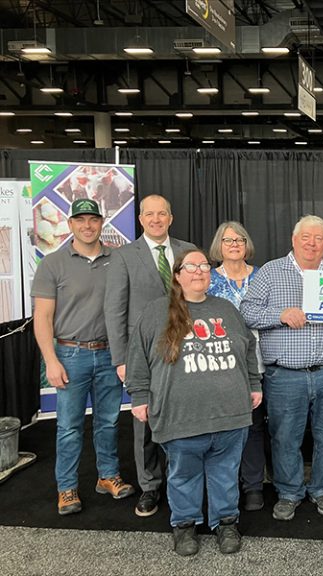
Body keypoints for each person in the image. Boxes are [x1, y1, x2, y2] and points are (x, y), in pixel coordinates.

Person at [126, 249, 261, 556]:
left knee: (226, 474)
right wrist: (139, 396)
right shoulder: (156, 312)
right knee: (183, 475)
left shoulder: (226, 309)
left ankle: (226, 522)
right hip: (180, 416)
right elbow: (138, 357)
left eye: (204, 265)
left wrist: (254, 384)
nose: (199, 270)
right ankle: (185, 525)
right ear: (177, 275)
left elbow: (248, 349)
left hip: (230, 414)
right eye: (191, 266)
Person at [240, 215, 323, 522]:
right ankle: (289, 492)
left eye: (318, 238)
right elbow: (246, 311)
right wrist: (280, 314)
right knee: (285, 438)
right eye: (306, 237)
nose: (312, 244)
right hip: (285, 376)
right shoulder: (271, 271)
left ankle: (322, 489)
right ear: (293, 239)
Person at [32, 198, 135, 515]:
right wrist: (51, 360)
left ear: (102, 223)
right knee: (69, 427)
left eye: (93, 219)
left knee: (109, 422)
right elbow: (42, 317)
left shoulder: (119, 259)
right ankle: (67, 488)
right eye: (80, 220)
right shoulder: (53, 263)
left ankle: (108, 476)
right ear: (70, 224)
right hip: (70, 354)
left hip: (110, 354)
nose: (87, 226)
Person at [104, 195, 195, 517]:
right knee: (145, 420)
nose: (156, 219)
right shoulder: (124, 256)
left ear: (170, 218)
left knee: (183, 418)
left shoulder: (187, 250)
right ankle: (150, 486)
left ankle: (180, 482)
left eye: (162, 214)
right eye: (150, 214)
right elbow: (115, 310)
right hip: (142, 353)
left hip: (186, 349)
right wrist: (121, 359)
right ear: (141, 219)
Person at [208, 221, 266, 513]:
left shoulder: (263, 275)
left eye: (239, 240)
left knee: (254, 426)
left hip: (262, 362)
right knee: (226, 428)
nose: (234, 245)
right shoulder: (207, 279)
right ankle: (226, 486)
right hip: (222, 365)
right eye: (228, 240)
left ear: (247, 244)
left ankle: (254, 485)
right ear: (219, 245)